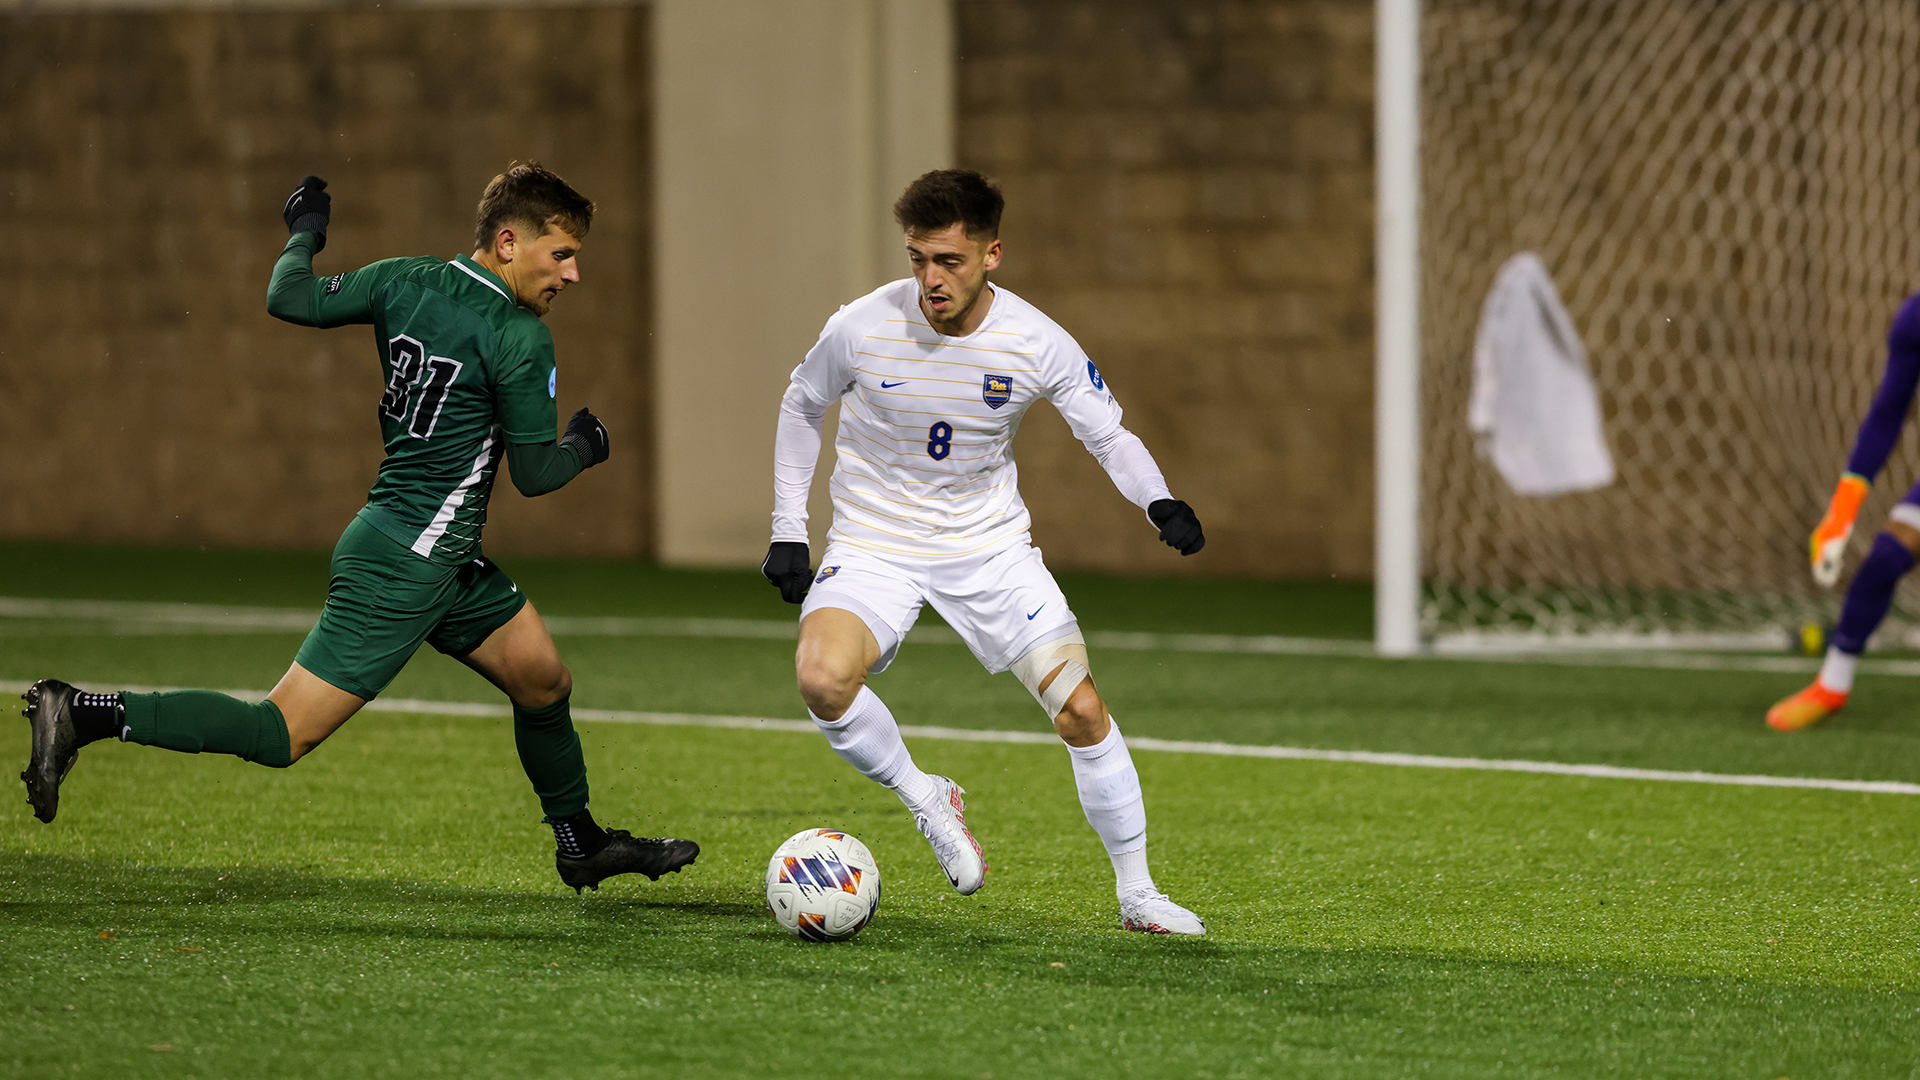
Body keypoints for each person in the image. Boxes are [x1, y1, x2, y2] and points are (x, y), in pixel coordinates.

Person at [20, 165, 699, 891]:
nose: (572, 274)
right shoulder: (519, 335)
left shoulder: (403, 278)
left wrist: (305, 231)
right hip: (408, 566)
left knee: (541, 680)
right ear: (508, 242)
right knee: (279, 734)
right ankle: (83, 713)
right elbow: (535, 477)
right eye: (561, 253)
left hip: (428, 550)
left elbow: (289, 296)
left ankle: (580, 842)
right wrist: (585, 447)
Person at [760, 169, 1208, 934]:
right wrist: (788, 528)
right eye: (918, 259)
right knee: (822, 680)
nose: (931, 280)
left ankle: (1138, 896)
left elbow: (1106, 433)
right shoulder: (861, 326)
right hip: (876, 539)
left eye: (950, 262)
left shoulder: (1036, 341)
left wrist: (1157, 499)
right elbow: (802, 403)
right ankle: (926, 796)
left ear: (992, 254)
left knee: (1082, 712)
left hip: (988, 547)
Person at [1768, 295, 1920, 731]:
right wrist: (1842, 511)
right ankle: (1832, 684)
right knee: (1886, 557)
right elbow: (1888, 415)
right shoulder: (1914, 319)